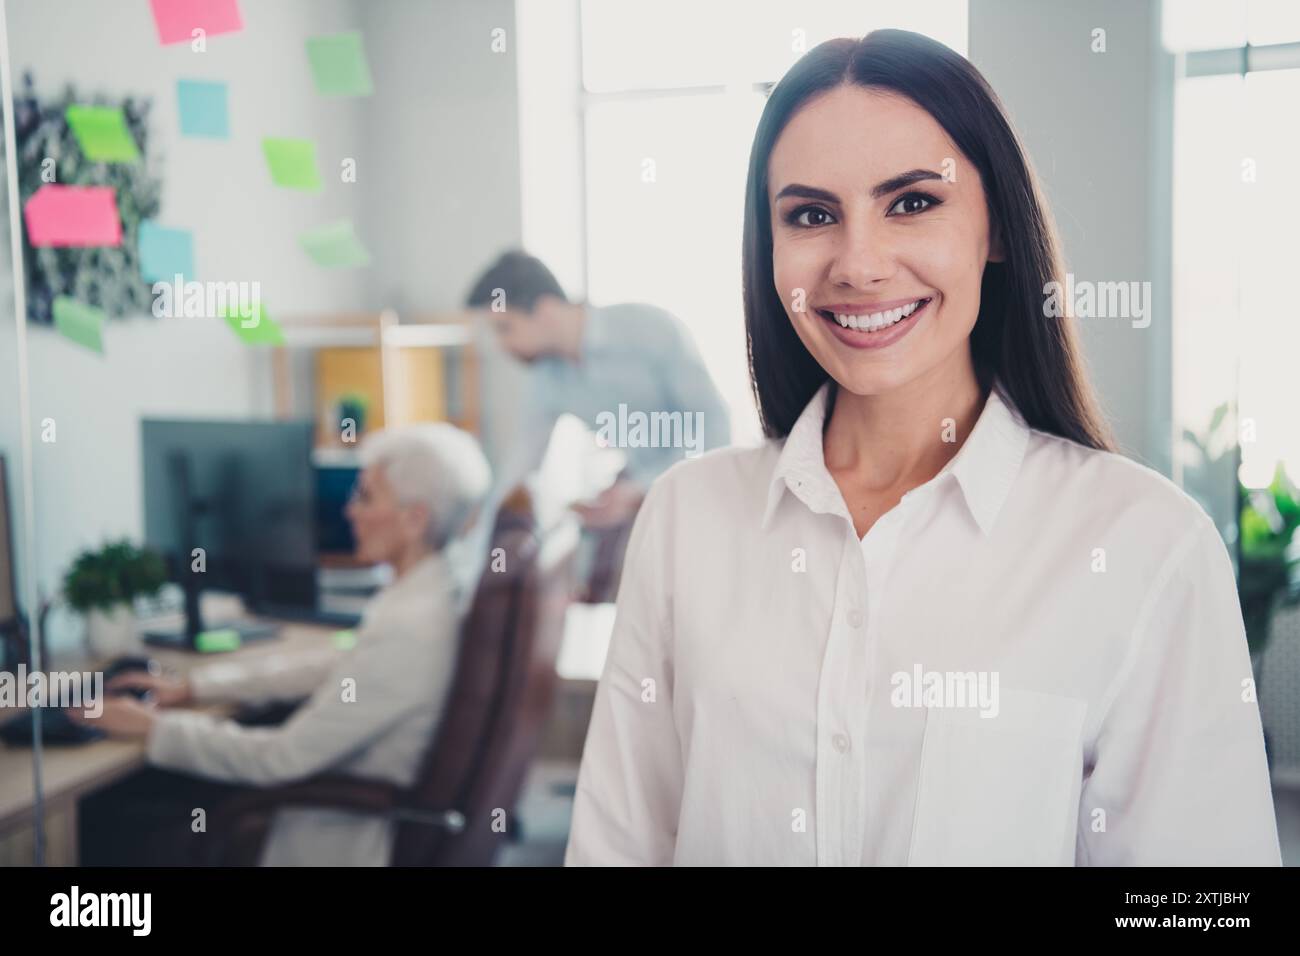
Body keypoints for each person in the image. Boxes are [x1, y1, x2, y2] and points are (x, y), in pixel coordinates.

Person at [565, 30, 1281, 866]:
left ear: (996, 230)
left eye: (912, 202)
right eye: (811, 215)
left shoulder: (1144, 545)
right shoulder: (687, 520)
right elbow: (619, 846)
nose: (858, 264)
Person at [71, 423, 491, 866]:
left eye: (365, 496)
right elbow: (338, 661)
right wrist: (200, 687)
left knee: (117, 821)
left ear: (414, 518)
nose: (349, 511)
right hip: (355, 795)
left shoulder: (410, 627)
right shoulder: (428, 595)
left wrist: (153, 728)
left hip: (343, 833)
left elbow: (281, 757)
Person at [456, 252, 731, 604]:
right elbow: (518, 470)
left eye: (504, 328)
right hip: (645, 502)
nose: (501, 346)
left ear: (545, 310)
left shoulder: (650, 330)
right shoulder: (548, 376)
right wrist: (474, 569)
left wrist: (641, 488)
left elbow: (716, 432)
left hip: (706, 499)